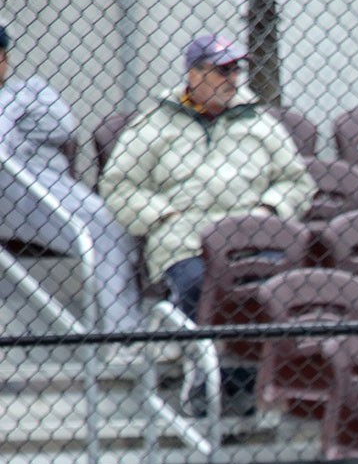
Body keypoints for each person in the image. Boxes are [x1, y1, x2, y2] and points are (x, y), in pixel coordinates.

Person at [100, 34, 313, 321]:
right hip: (186, 241)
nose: (233, 78)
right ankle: (194, 357)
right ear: (193, 74)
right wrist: (163, 216)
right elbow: (118, 184)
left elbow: (296, 180)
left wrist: (269, 210)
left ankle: (253, 362)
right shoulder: (152, 125)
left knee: (272, 291)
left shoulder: (260, 123)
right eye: (223, 70)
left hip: (250, 237)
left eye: (236, 70)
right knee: (197, 287)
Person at [0, 22, 144, 334]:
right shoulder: (24, 100)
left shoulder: (27, 91)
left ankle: (126, 334)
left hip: (41, 192)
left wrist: (10, 106)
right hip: (7, 194)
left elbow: (62, 124)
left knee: (110, 225)